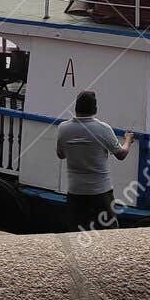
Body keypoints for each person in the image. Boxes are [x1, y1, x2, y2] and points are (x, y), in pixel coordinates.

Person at [54, 90, 135, 232]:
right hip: (101, 191)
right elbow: (121, 155)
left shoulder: (63, 128)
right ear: (95, 109)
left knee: (76, 232)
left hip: (76, 191)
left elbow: (61, 154)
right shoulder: (103, 129)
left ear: (76, 107)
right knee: (108, 232)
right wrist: (128, 140)